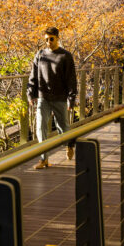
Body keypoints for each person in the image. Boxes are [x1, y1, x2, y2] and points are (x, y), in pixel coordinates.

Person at [27, 26, 77, 169]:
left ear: (57, 38)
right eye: (46, 39)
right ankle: (44, 159)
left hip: (60, 97)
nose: (48, 42)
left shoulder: (65, 56)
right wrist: (31, 94)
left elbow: (71, 79)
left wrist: (71, 98)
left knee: (63, 128)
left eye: (51, 39)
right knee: (40, 127)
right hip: (43, 98)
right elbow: (33, 76)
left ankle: (69, 144)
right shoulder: (40, 54)